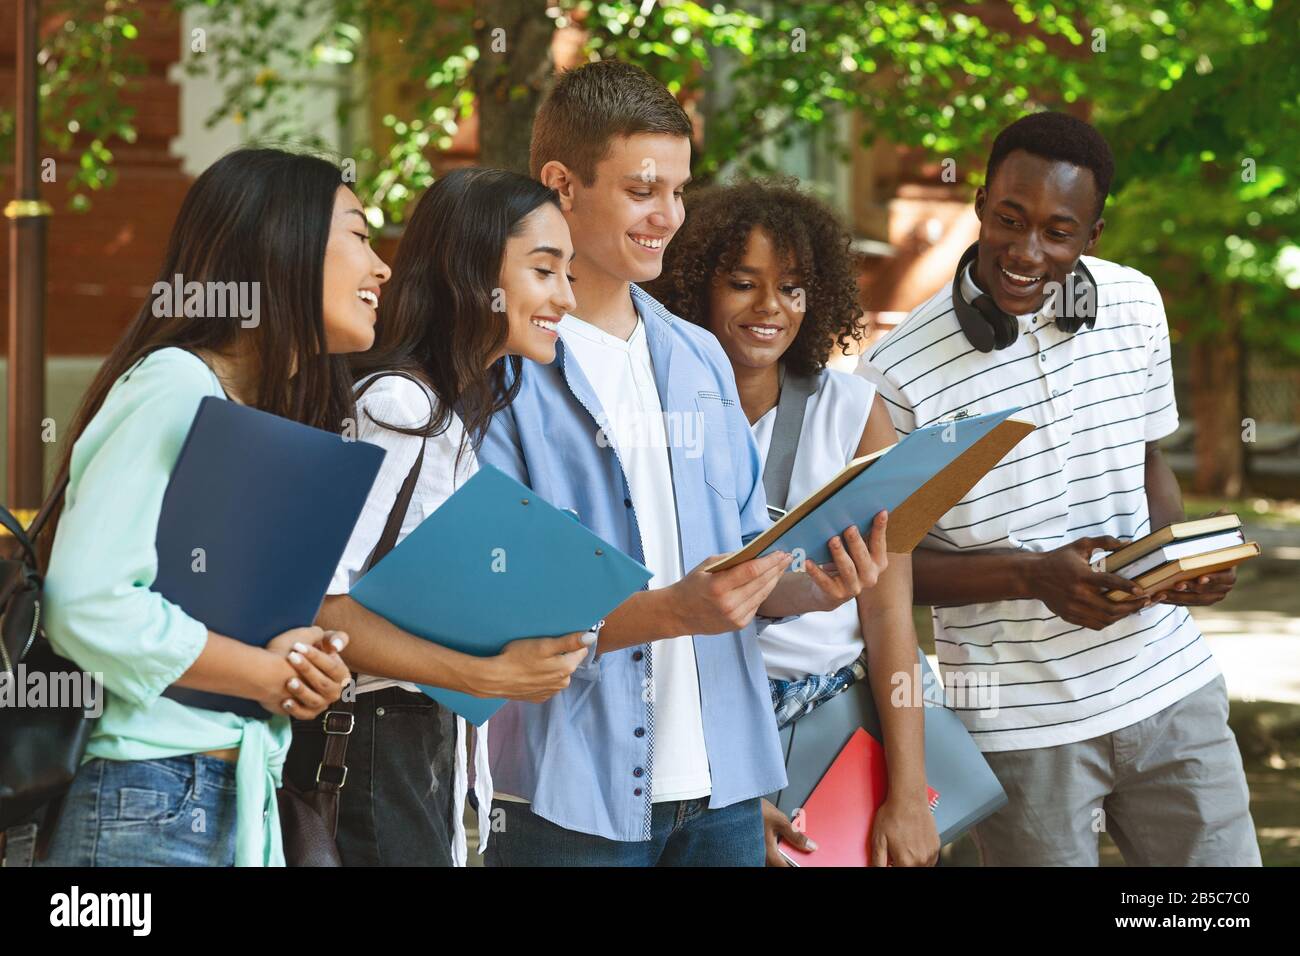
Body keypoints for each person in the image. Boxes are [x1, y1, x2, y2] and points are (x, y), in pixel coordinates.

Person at [479, 60, 888, 867]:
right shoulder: (505, 368)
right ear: (561, 184)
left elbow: (745, 563)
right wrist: (675, 609)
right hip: (567, 796)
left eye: (678, 190)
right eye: (642, 191)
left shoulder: (698, 357)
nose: (667, 216)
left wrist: (814, 584)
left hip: (725, 793)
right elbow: (501, 604)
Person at [859, 112, 1259, 866]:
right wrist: (1031, 575)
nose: (1025, 251)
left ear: (1092, 236)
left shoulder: (1137, 305)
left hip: (1170, 689)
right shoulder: (894, 374)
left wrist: (1175, 559)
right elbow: (890, 569)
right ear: (978, 203)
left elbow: (1147, 464)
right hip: (1019, 728)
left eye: (1057, 232)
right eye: (1009, 219)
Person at [36, 147, 371, 866]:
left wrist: (304, 668)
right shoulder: (174, 384)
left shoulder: (242, 410)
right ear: (284, 242)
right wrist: (265, 676)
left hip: (222, 798)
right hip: (152, 804)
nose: (382, 269)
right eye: (360, 235)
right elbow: (88, 602)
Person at [287, 168, 592, 866]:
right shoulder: (396, 407)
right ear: (472, 271)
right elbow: (320, 604)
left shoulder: (446, 418)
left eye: (568, 274)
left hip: (418, 752)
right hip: (368, 750)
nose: (566, 299)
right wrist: (487, 675)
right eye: (544, 270)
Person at [647, 179, 941, 867]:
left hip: (829, 729)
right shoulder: (659, 414)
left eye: (793, 287)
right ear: (696, 290)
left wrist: (906, 793)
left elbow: (890, 620)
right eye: (743, 283)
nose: (770, 308)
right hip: (693, 739)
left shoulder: (854, 411)